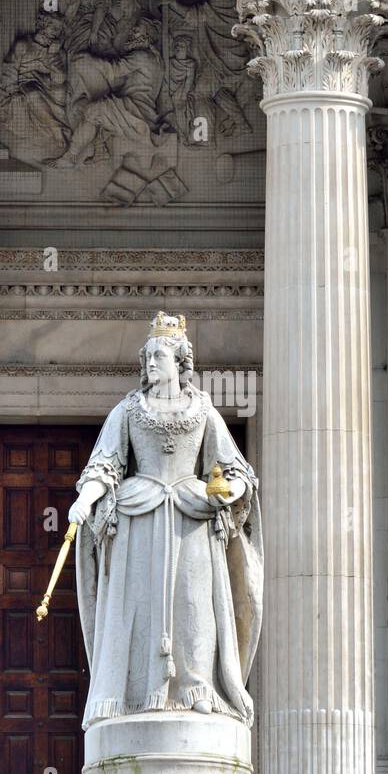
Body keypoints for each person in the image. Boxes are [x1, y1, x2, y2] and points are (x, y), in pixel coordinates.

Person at [68, 312, 263, 728]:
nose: (152, 363)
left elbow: (236, 470)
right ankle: (129, 693)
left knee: (193, 603)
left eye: (160, 356)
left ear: (180, 363)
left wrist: (229, 491)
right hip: (138, 516)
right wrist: (85, 500)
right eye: (149, 356)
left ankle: (198, 686)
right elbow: (105, 465)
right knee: (136, 605)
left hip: (192, 517)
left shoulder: (203, 410)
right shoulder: (128, 410)